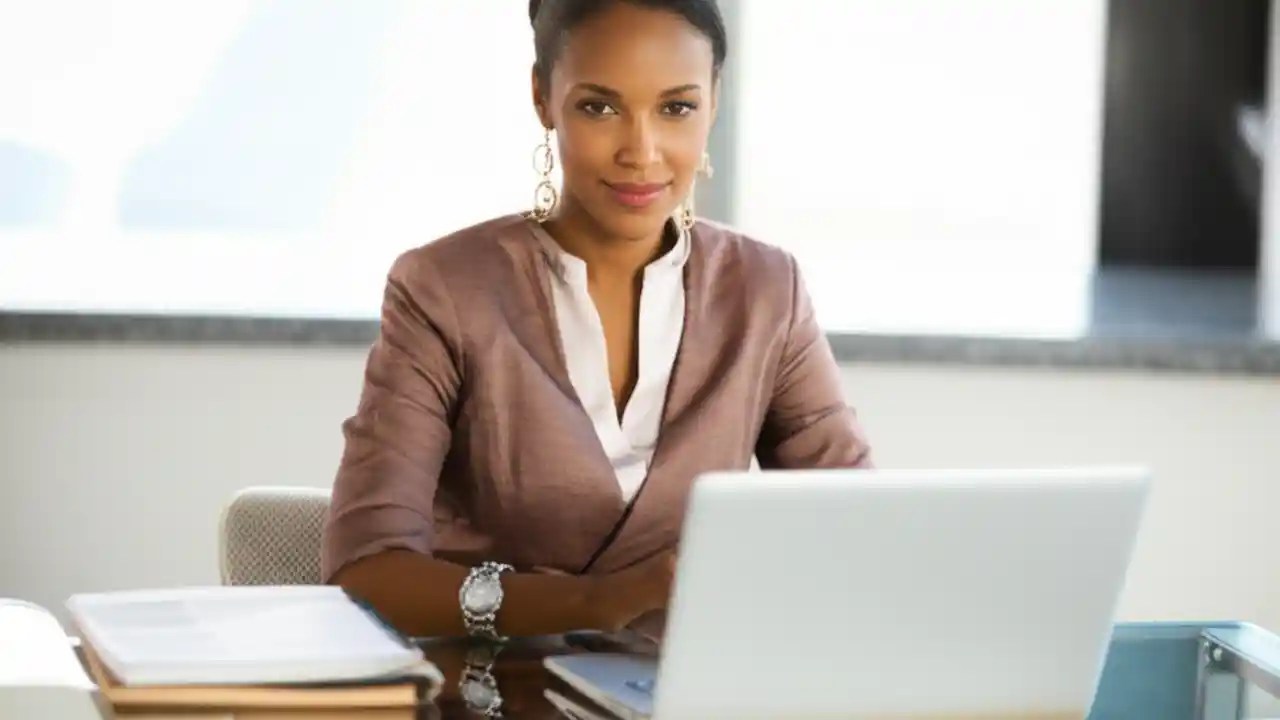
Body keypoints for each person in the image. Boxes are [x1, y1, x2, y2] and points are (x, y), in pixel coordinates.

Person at [321, 0, 872, 641]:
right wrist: (593, 603)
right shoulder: (444, 289)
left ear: (714, 101)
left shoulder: (766, 289)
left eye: (677, 108)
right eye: (599, 107)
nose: (641, 152)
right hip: (491, 694)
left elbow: (854, 528)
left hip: (686, 695)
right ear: (542, 97)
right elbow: (366, 570)